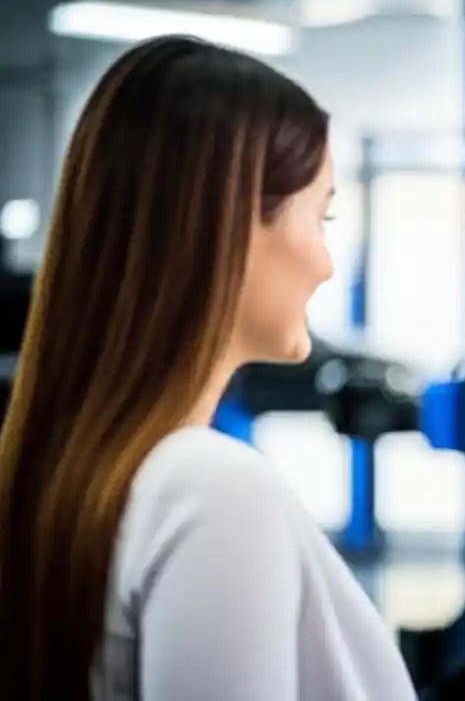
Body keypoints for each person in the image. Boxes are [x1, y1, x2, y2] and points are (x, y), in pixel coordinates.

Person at [0, 36, 418, 701]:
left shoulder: (66, 473)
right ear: (233, 227)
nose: (327, 263)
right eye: (323, 213)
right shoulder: (210, 488)